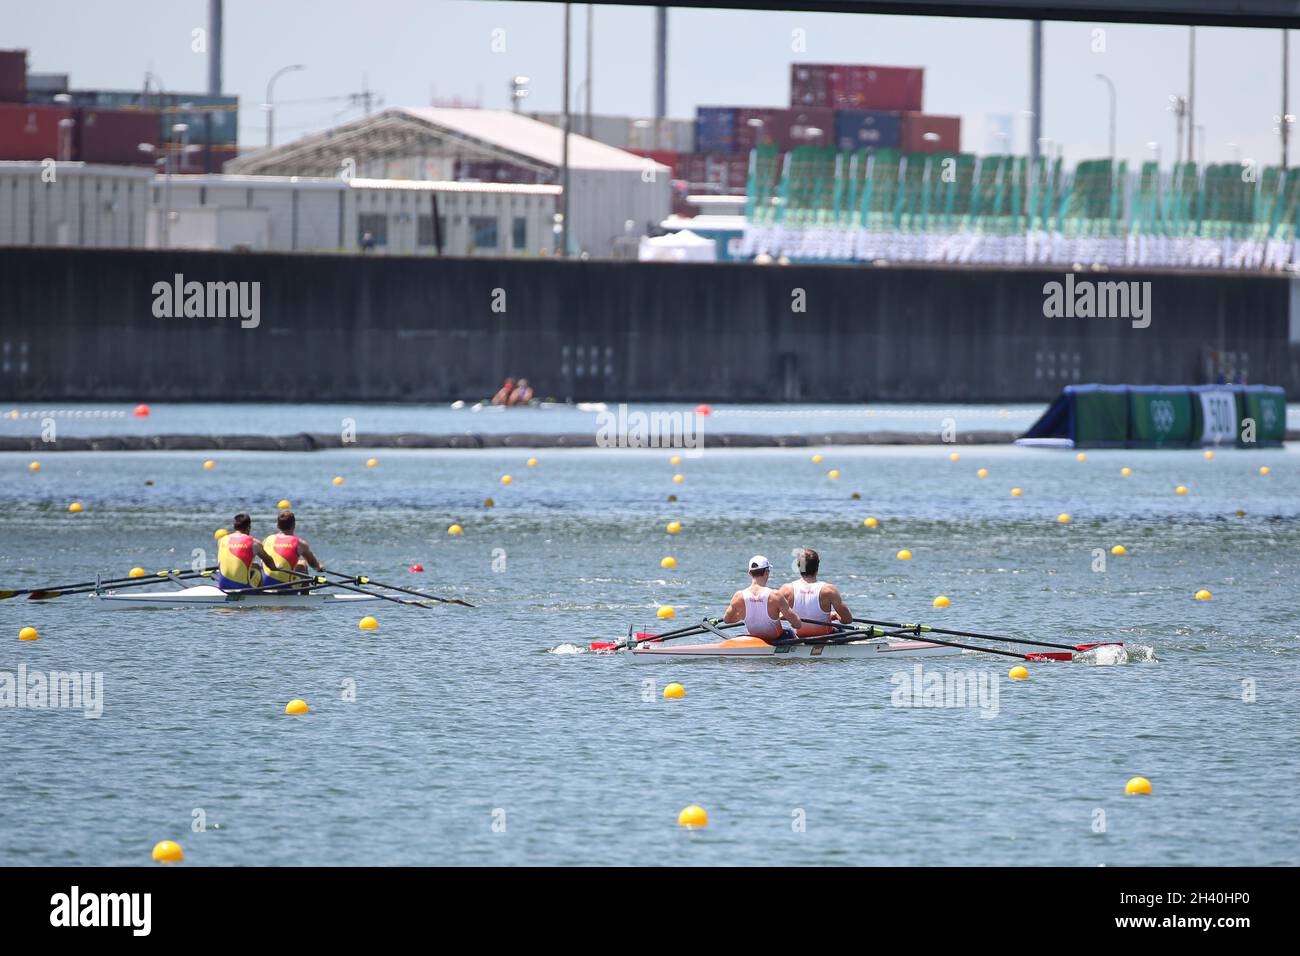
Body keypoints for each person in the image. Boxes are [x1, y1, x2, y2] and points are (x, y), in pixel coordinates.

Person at [721, 555, 802, 643]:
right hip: (777, 640)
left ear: (750, 573)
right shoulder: (775, 595)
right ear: (766, 572)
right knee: (790, 631)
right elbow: (797, 624)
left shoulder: (738, 596)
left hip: (755, 639)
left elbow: (727, 620)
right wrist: (784, 617)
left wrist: (742, 617)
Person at [779, 548, 853, 637]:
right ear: (817, 567)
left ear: (799, 567)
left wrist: (788, 616)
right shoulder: (828, 590)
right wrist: (836, 616)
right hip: (825, 637)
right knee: (840, 630)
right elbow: (847, 620)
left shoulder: (786, 589)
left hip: (799, 637)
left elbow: (773, 617)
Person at [261, 510, 325, 589]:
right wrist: (319, 567)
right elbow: (314, 565)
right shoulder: (299, 543)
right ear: (294, 525)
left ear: (277, 525)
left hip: (264, 585)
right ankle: (305, 595)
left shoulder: (267, 539)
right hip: (285, 587)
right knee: (303, 564)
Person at [215, 513, 276, 591]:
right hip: (243, 588)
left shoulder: (221, 541)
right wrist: (276, 568)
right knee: (257, 569)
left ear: (234, 526)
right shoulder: (255, 543)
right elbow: (271, 565)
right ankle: (260, 593)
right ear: (249, 527)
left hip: (222, 587)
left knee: (254, 566)